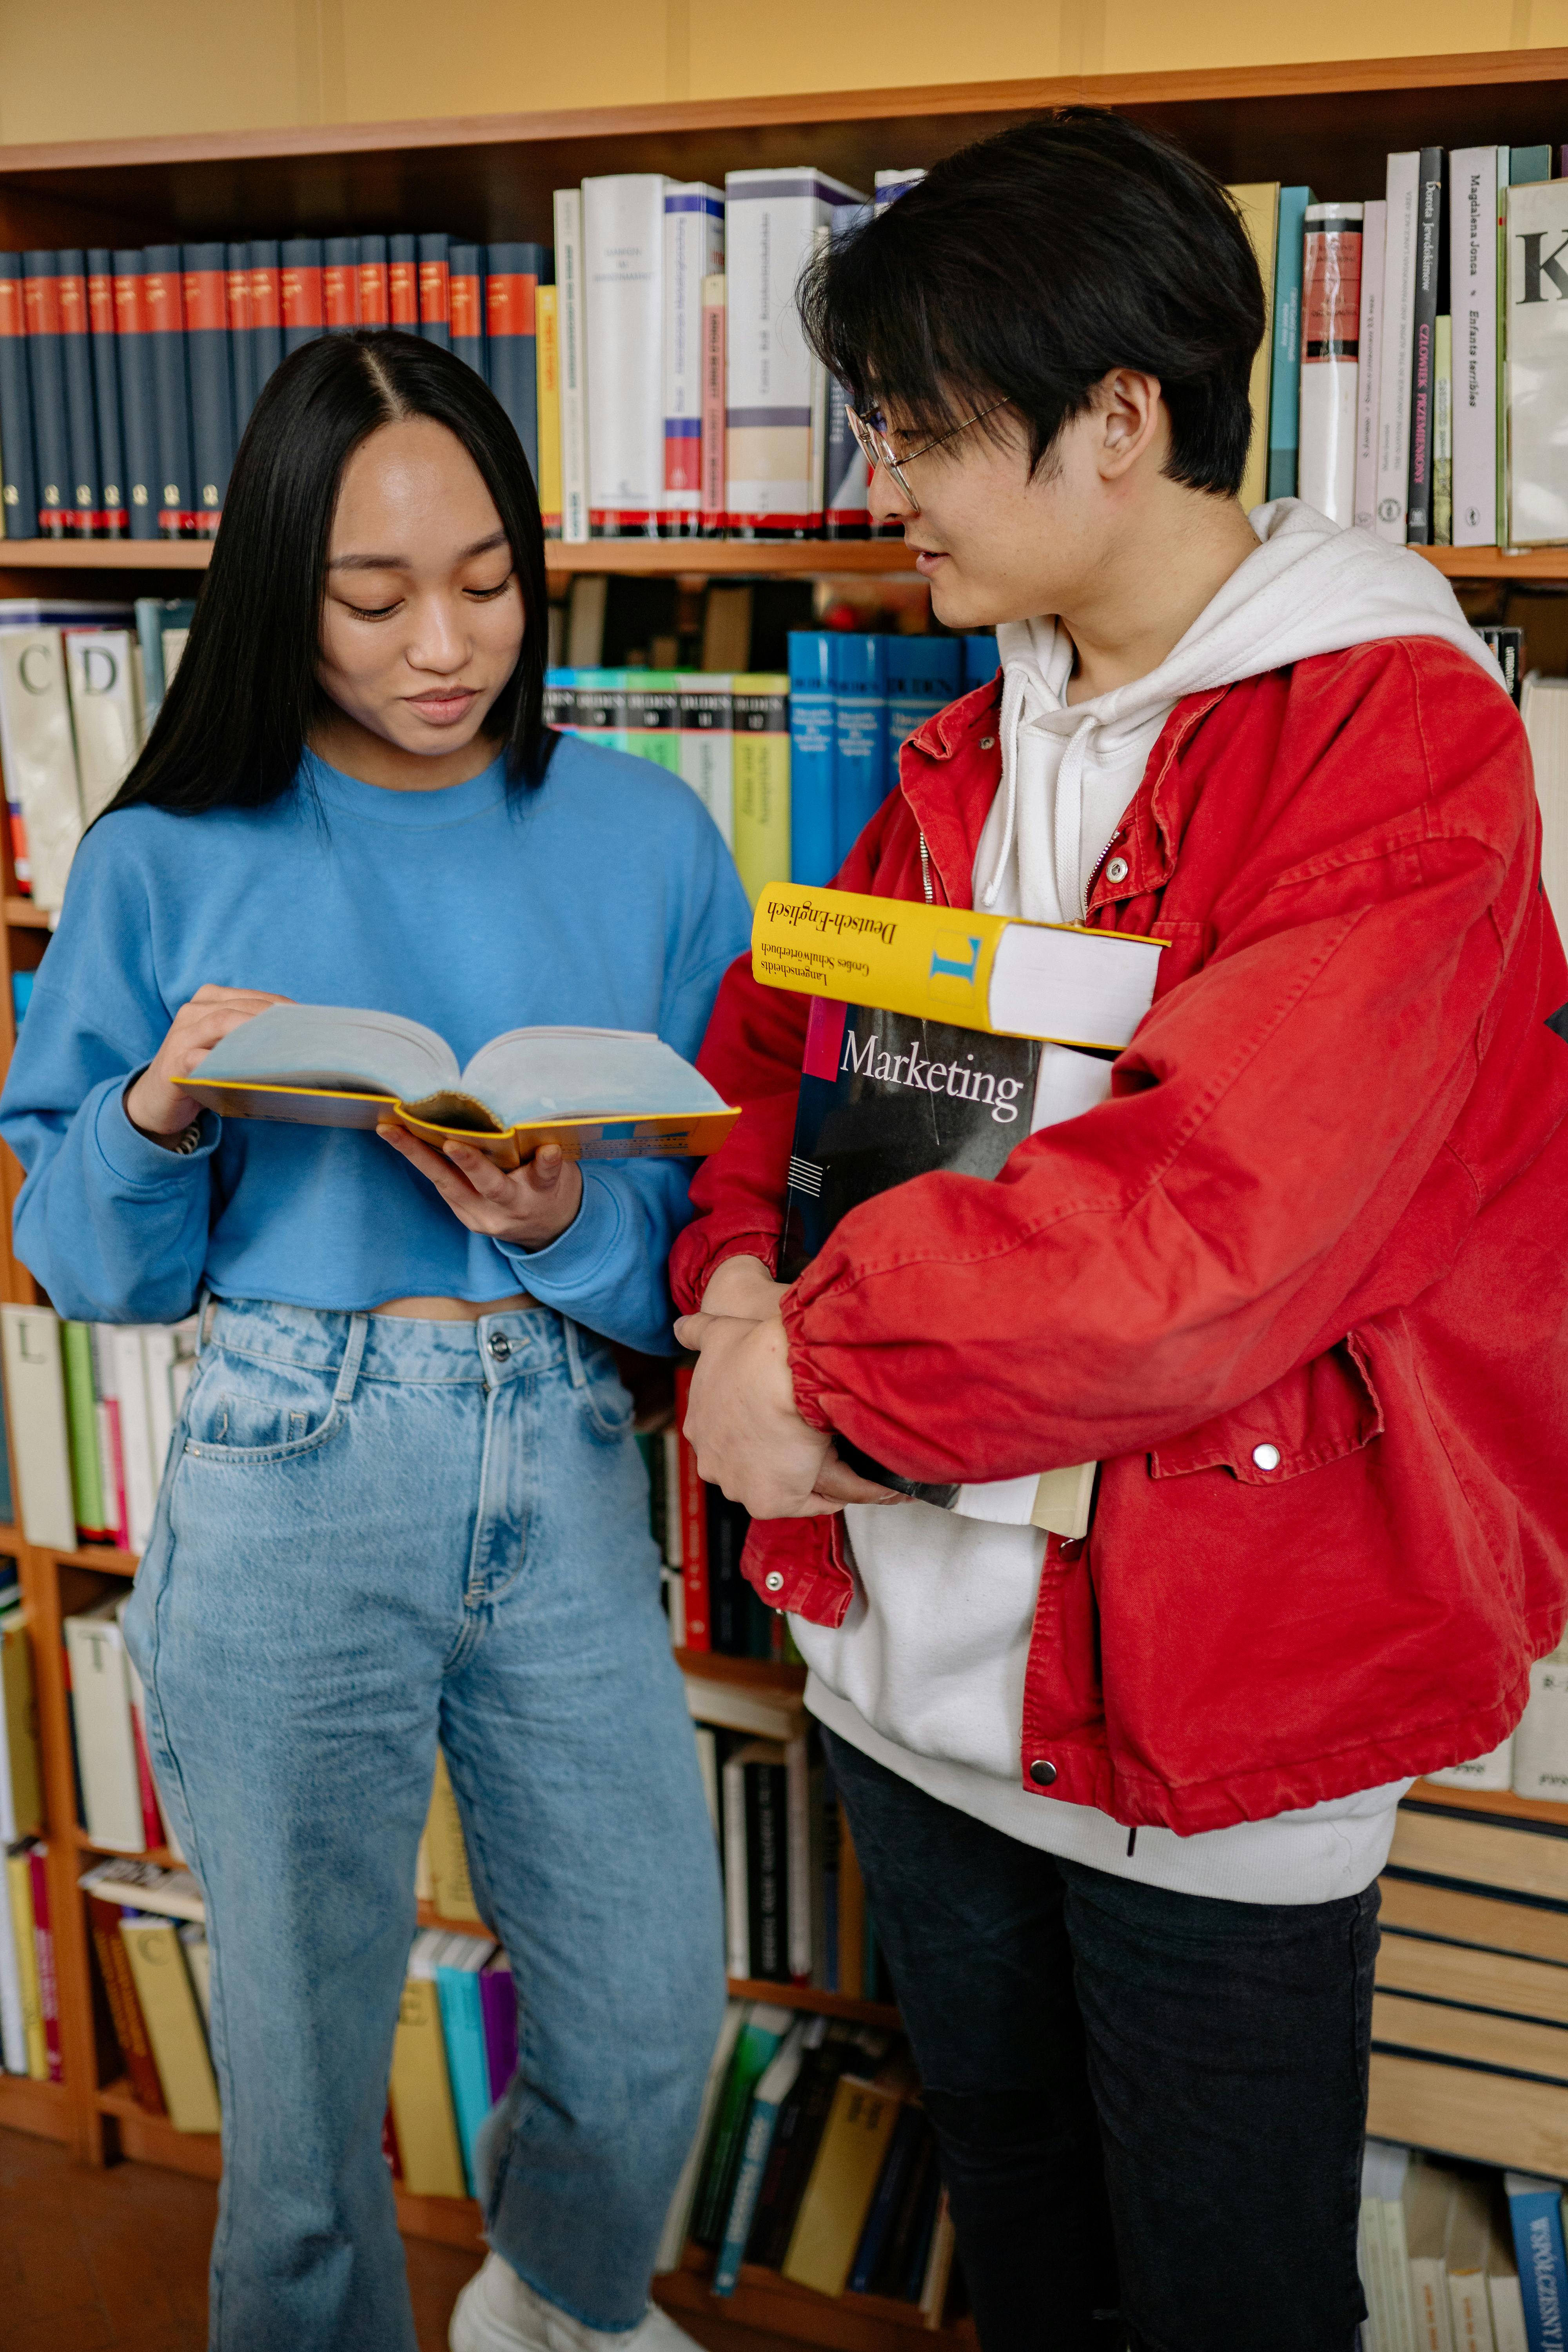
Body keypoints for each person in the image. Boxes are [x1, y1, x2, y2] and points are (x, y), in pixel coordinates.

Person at [671, 111, 1568, 2352]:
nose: (888, 486)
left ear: (1123, 423)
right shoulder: (981, 740)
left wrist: (815, 1379)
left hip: (1204, 1736)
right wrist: (728, 1287)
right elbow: (777, 1058)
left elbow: (1216, 1235)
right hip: (903, 1679)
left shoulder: (1400, 748)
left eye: (927, 435)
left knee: (1230, 2303)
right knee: (1032, 2249)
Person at [0, 330, 749, 2352]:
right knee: (306, 2073)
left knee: (653, 1991)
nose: (447, 642)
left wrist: (572, 1213)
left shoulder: (653, 835)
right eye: (375, 595)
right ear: (278, 591)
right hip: (289, 1452)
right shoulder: (164, 856)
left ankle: (562, 2306)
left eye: (489, 578)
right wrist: (159, 1108)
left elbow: (714, 1214)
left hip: (563, 1445)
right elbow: (78, 1262)